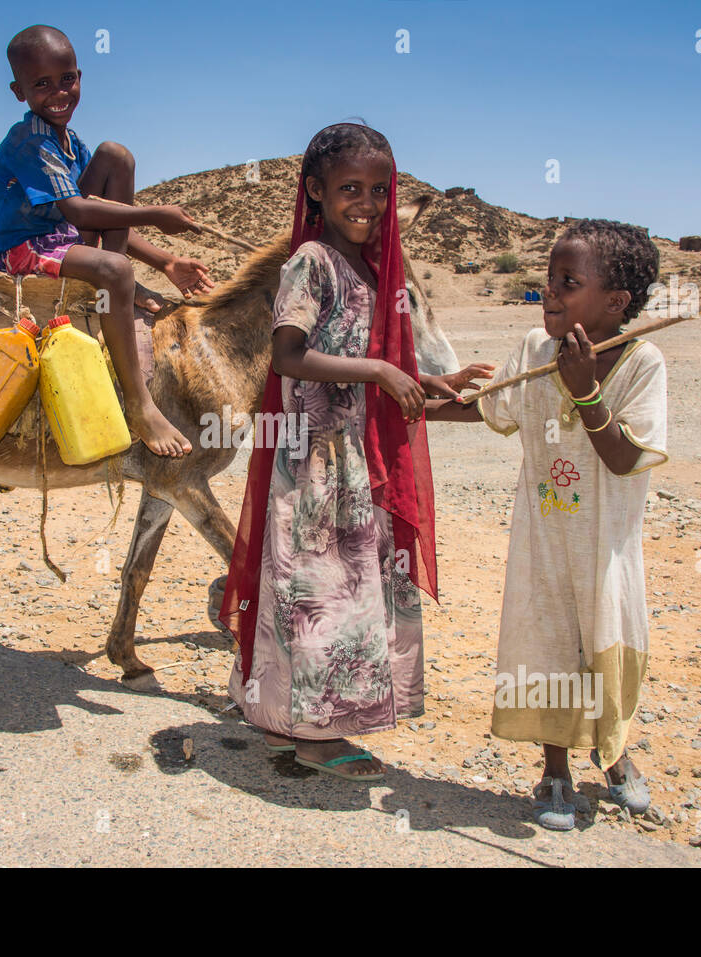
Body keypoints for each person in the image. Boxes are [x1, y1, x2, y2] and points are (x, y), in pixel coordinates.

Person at [218, 123, 490, 781]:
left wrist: (427, 382)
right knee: (321, 597)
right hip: (312, 462)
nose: (365, 202)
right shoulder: (311, 261)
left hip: (345, 459)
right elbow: (289, 355)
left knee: (326, 595)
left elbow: (365, 362)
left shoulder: (366, 270)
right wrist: (378, 371)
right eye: (349, 188)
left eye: (377, 189)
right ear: (315, 191)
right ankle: (318, 736)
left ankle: (286, 723)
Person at [428, 219, 667, 829]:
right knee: (547, 651)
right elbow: (488, 407)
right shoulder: (536, 353)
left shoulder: (644, 363)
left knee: (602, 647)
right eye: (547, 280)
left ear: (616, 303)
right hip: (542, 544)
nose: (549, 294)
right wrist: (409, 408)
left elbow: (621, 457)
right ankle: (556, 771)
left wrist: (586, 392)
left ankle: (613, 758)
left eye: (568, 282)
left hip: (605, 549)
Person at [0, 24, 214, 457]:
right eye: (42, 84)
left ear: (80, 76)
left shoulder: (73, 145)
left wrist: (165, 261)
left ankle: (123, 285)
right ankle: (140, 405)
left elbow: (99, 207)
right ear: (19, 91)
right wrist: (156, 215)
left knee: (116, 156)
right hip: (24, 246)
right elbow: (80, 213)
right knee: (114, 267)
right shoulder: (28, 140)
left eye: (67, 79)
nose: (59, 92)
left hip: (62, 238)